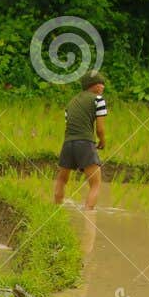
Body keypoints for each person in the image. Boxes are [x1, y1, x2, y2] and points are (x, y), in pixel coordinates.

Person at [53, 71, 108, 211]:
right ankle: (88, 214)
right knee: (95, 184)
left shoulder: (71, 103)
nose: (102, 86)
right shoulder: (98, 99)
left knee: (61, 179)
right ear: (93, 86)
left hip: (68, 143)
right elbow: (100, 129)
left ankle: (55, 209)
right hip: (86, 143)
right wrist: (102, 141)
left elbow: (68, 124)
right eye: (100, 83)